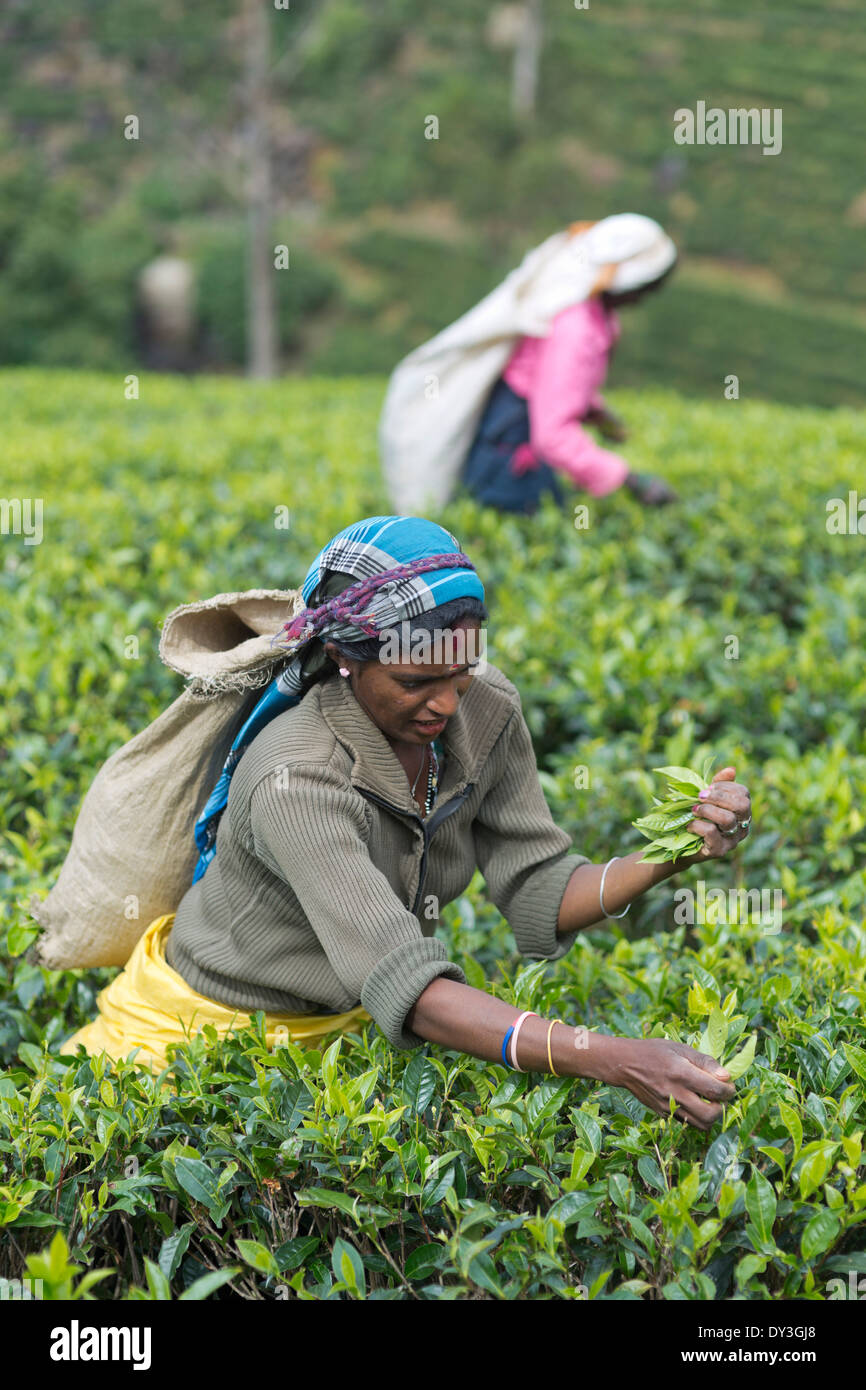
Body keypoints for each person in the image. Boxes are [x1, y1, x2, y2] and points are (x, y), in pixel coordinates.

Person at [65, 516, 753, 1131]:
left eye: (460, 675)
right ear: (345, 658)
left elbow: (540, 885)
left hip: (351, 1034)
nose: (445, 705)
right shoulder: (296, 775)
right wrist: (610, 1058)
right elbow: (408, 985)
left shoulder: (486, 708)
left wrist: (673, 852)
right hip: (203, 1039)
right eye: (416, 681)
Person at [462, 215, 679, 513]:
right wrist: (631, 480)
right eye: (647, 288)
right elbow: (552, 437)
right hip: (510, 456)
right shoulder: (576, 327)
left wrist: (595, 411)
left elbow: (553, 379)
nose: (644, 299)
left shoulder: (592, 309)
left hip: (515, 435)